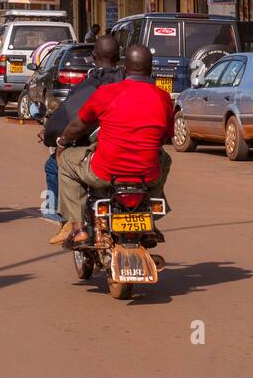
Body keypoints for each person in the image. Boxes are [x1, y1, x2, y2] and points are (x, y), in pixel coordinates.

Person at [52, 43, 174, 248]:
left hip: (105, 173)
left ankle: (78, 229)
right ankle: (150, 220)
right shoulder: (163, 97)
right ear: (151, 69)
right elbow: (165, 137)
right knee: (165, 158)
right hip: (146, 175)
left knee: (65, 161)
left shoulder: (106, 92)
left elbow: (79, 125)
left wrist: (62, 142)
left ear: (124, 68)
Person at [41, 35, 124, 240]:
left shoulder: (93, 88)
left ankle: (71, 222)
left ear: (94, 56)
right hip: (140, 160)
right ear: (119, 57)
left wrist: (56, 139)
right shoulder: (138, 89)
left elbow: (72, 122)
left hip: (101, 159)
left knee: (55, 164)